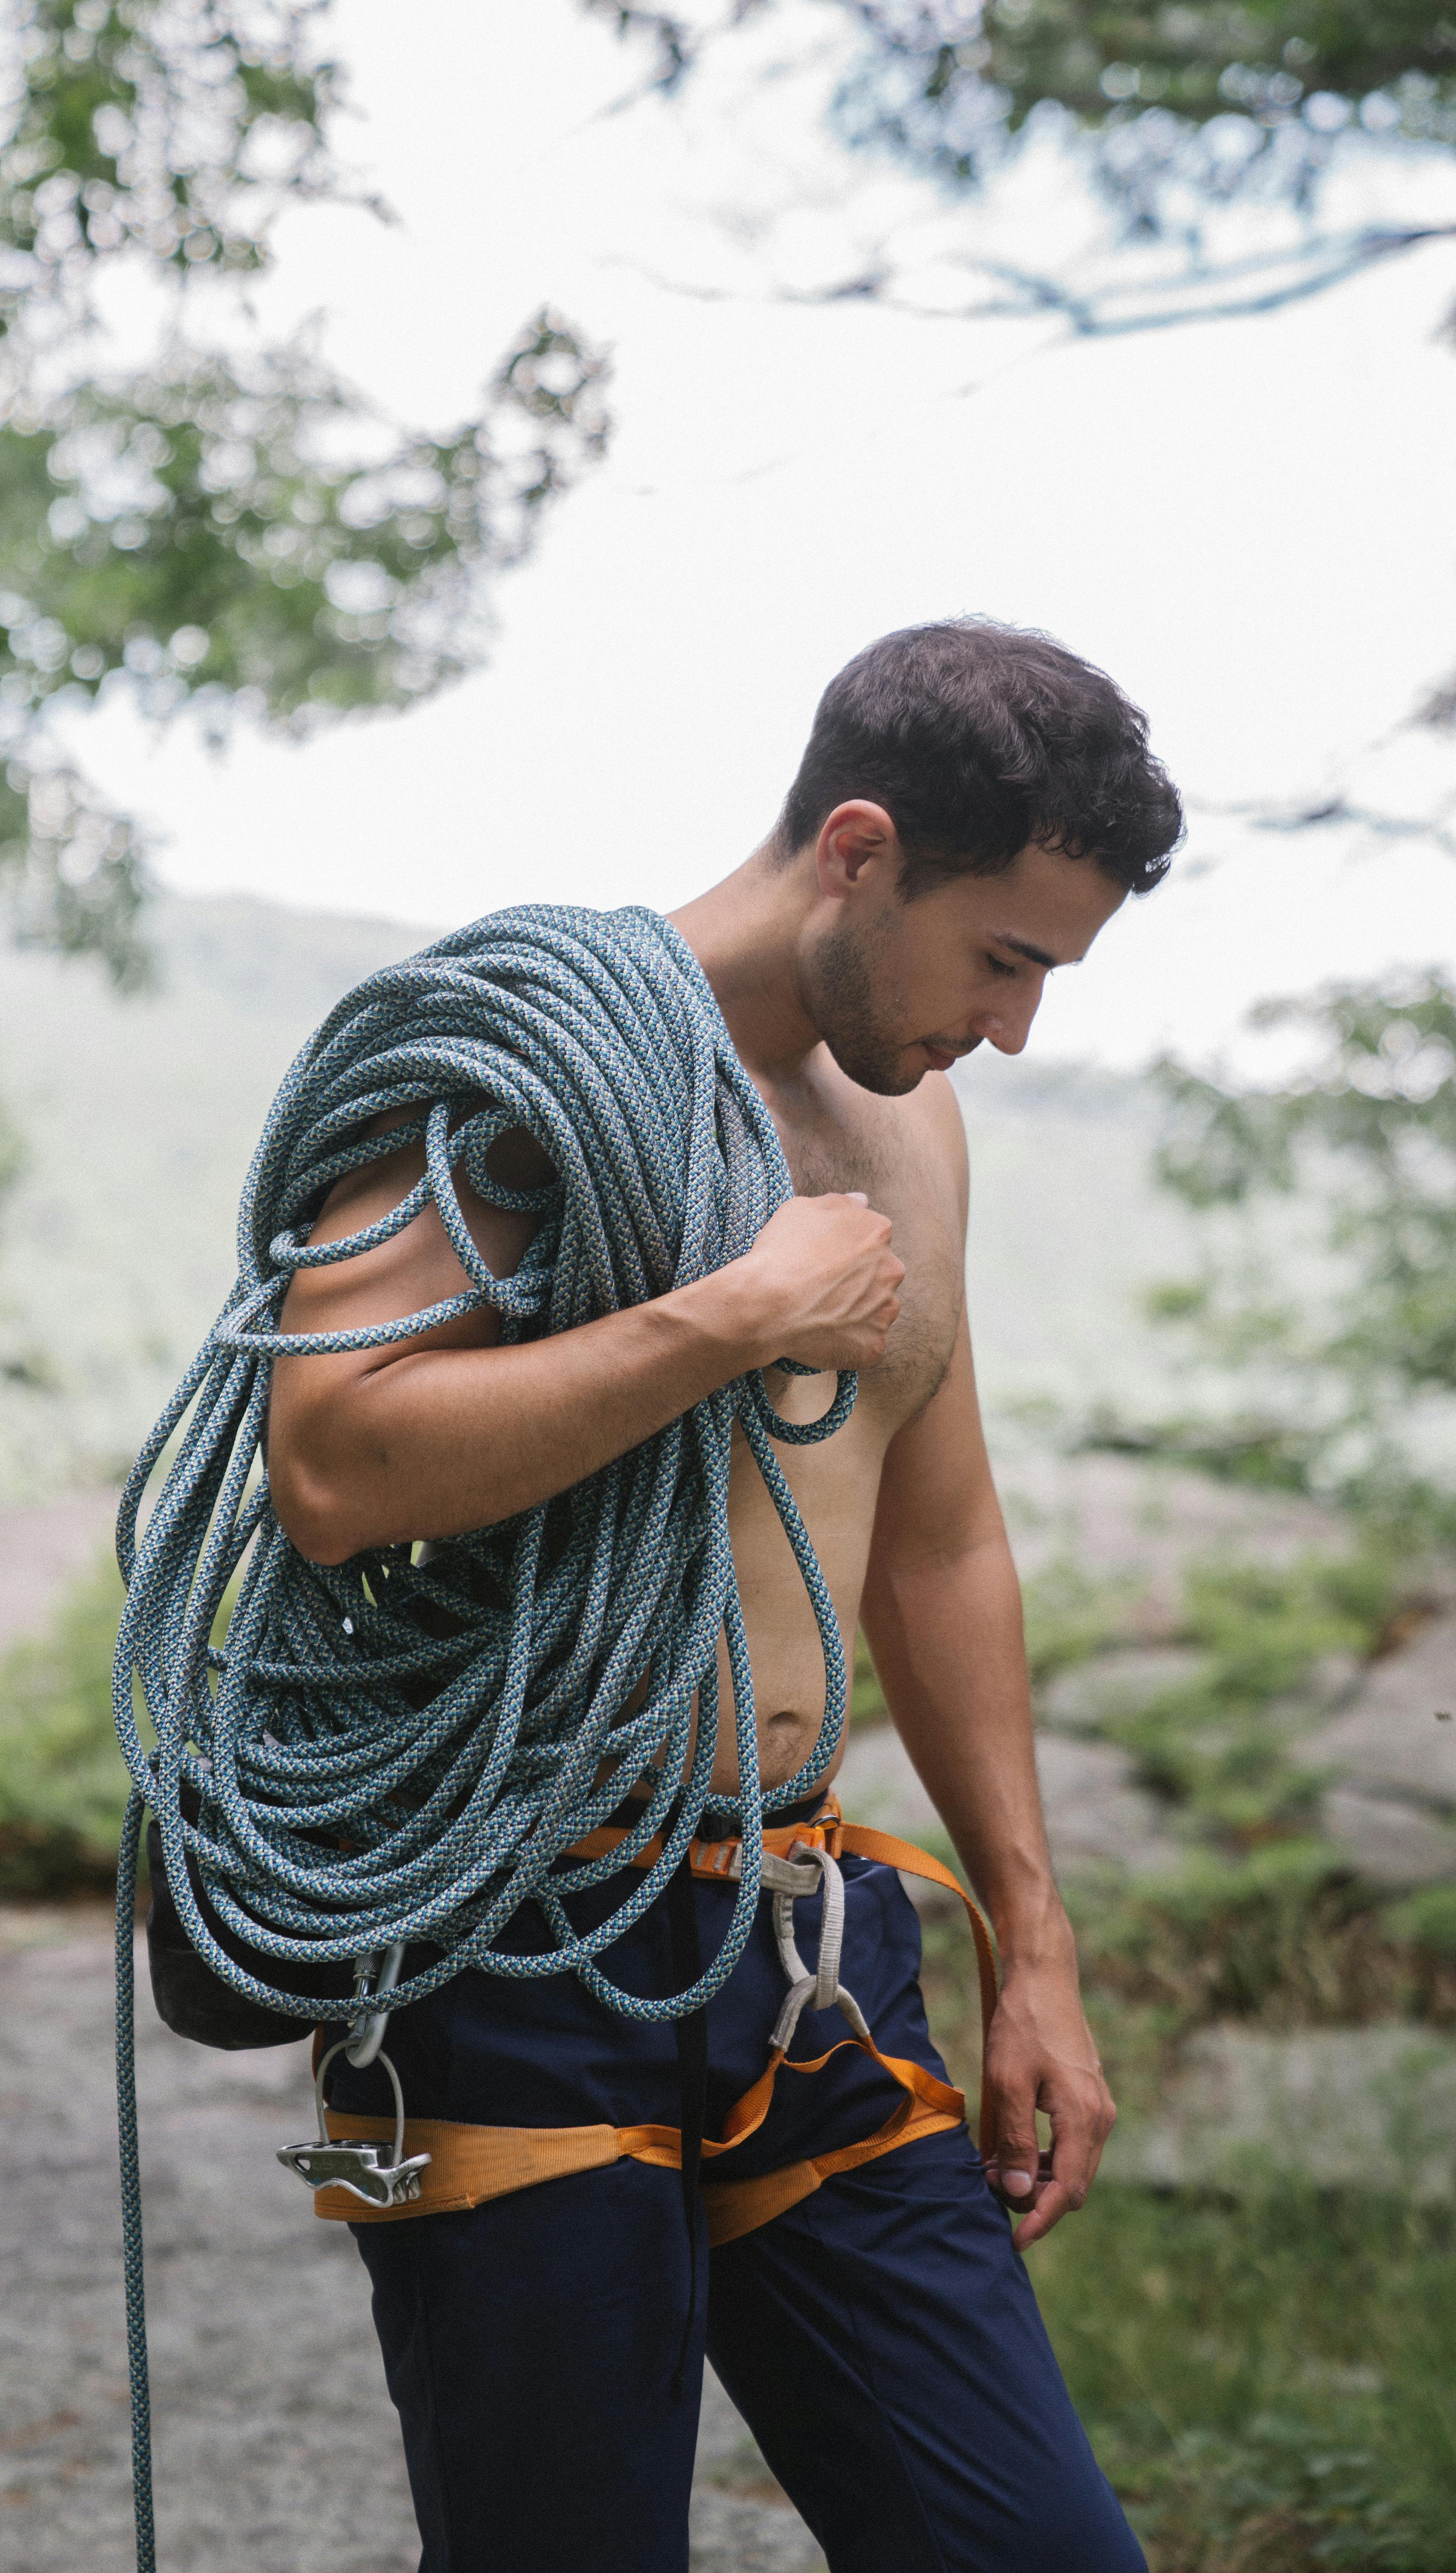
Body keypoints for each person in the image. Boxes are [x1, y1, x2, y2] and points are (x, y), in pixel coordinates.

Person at [264, 618, 1184, 2573]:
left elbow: (934, 1540)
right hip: (513, 1950)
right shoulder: (532, 1064)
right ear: (857, 850)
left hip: (799, 1929)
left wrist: (1034, 1939)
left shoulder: (913, 1125)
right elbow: (332, 1462)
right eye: (1001, 957)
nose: (1012, 1027)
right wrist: (727, 1318)